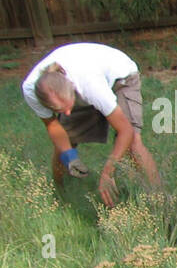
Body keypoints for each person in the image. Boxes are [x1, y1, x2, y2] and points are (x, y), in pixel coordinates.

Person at [21, 42, 162, 207]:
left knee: (133, 143)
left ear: (73, 90)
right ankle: (60, 197)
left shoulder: (90, 85)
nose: (67, 114)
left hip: (121, 76)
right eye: (59, 110)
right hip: (80, 82)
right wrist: (70, 157)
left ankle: (161, 201)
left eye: (68, 106)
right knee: (64, 145)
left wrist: (108, 173)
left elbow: (126, 130)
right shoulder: (31, 90)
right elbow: (52, 126)